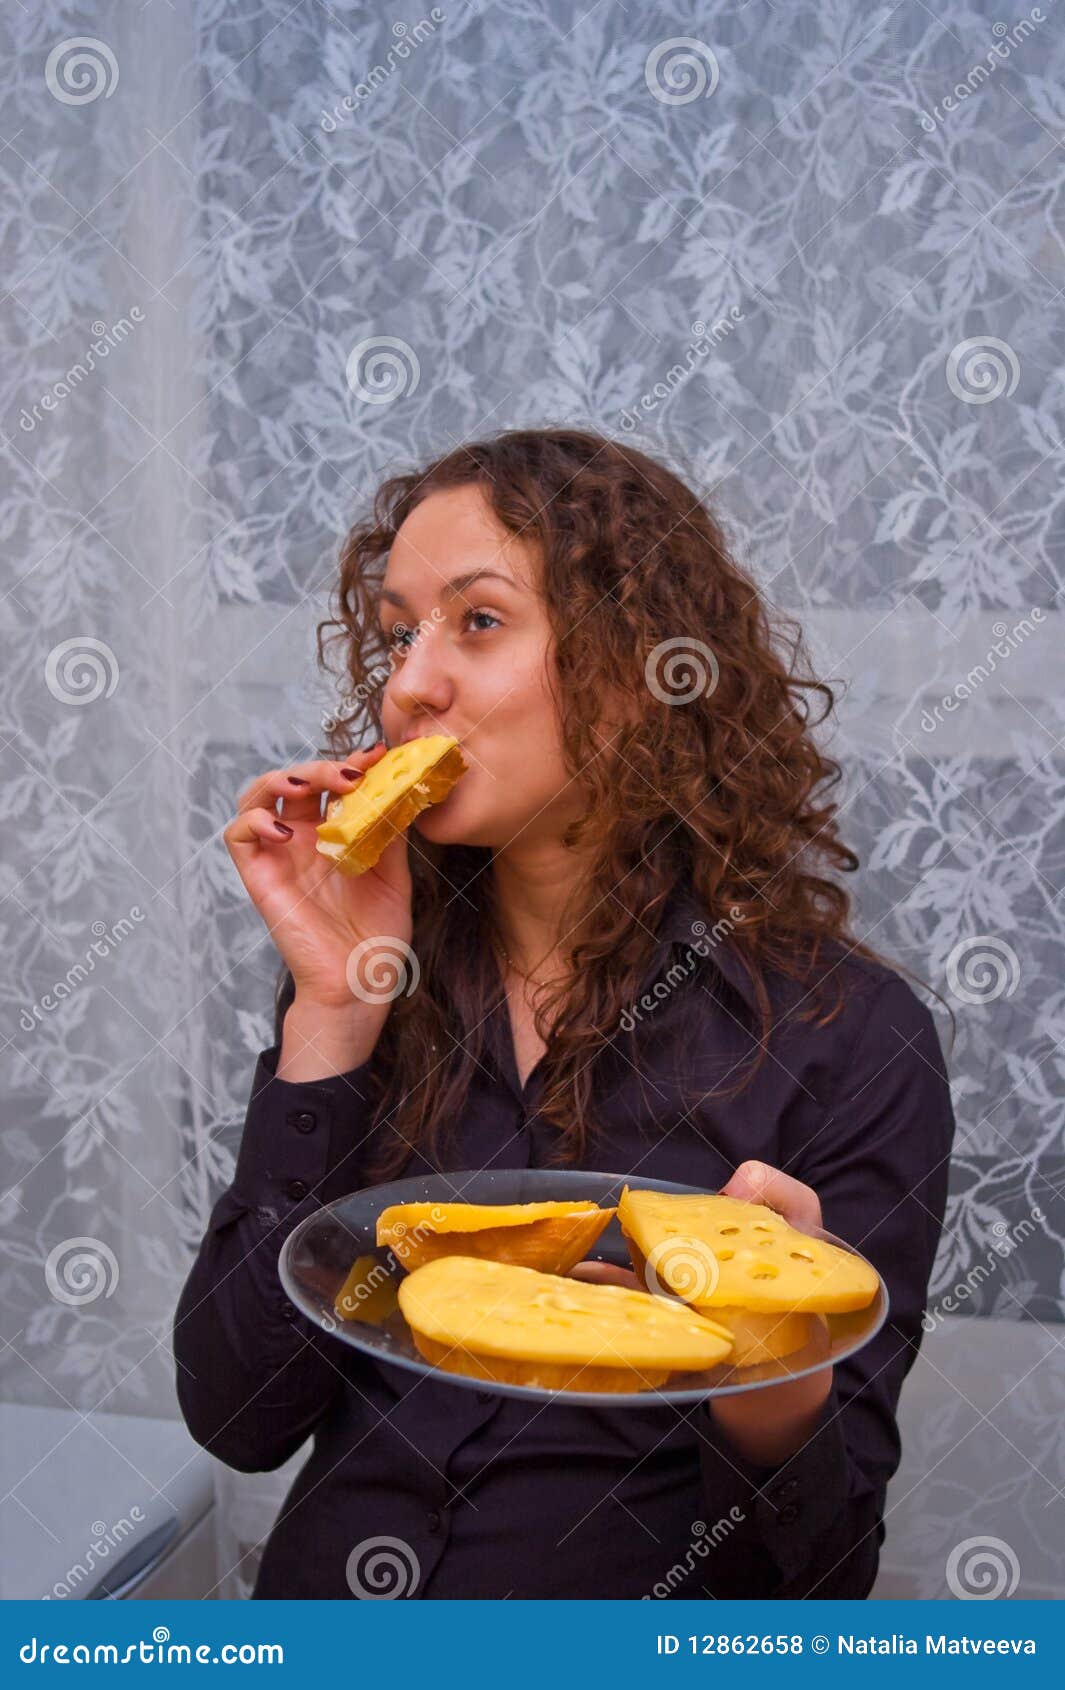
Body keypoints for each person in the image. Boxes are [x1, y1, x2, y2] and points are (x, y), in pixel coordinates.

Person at [173, 428, 956, 1600]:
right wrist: (332, 1017)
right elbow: (238, 1414)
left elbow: (811, 1582)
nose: (405, 685)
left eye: (476, 621)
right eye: (398, 631)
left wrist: (775, 1369)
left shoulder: (851, 1038)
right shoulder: (374, 974)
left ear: (639, 672)